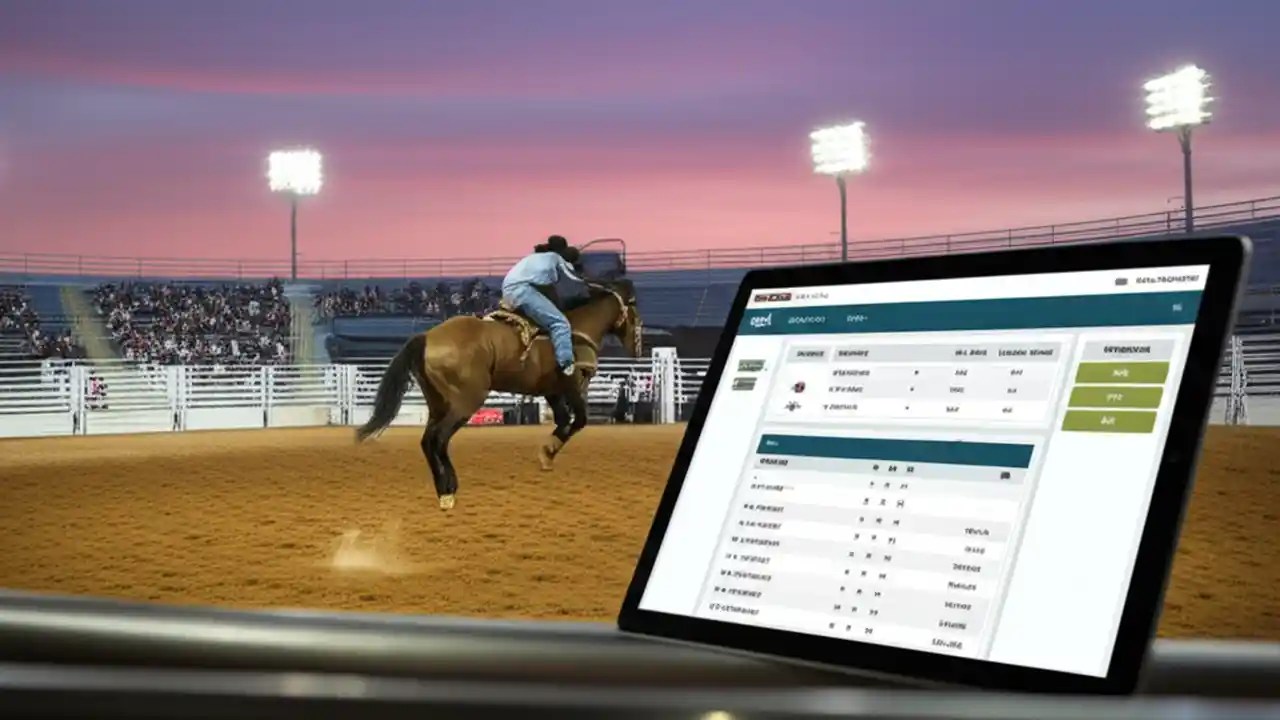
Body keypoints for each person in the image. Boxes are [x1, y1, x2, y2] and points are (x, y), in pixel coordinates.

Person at [501, 235, 588, 376]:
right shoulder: (555, 258)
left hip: (508, 291)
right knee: (560, 323)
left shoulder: (535, 257)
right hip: (523, 291)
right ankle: (566, 363)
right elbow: (575, 278)